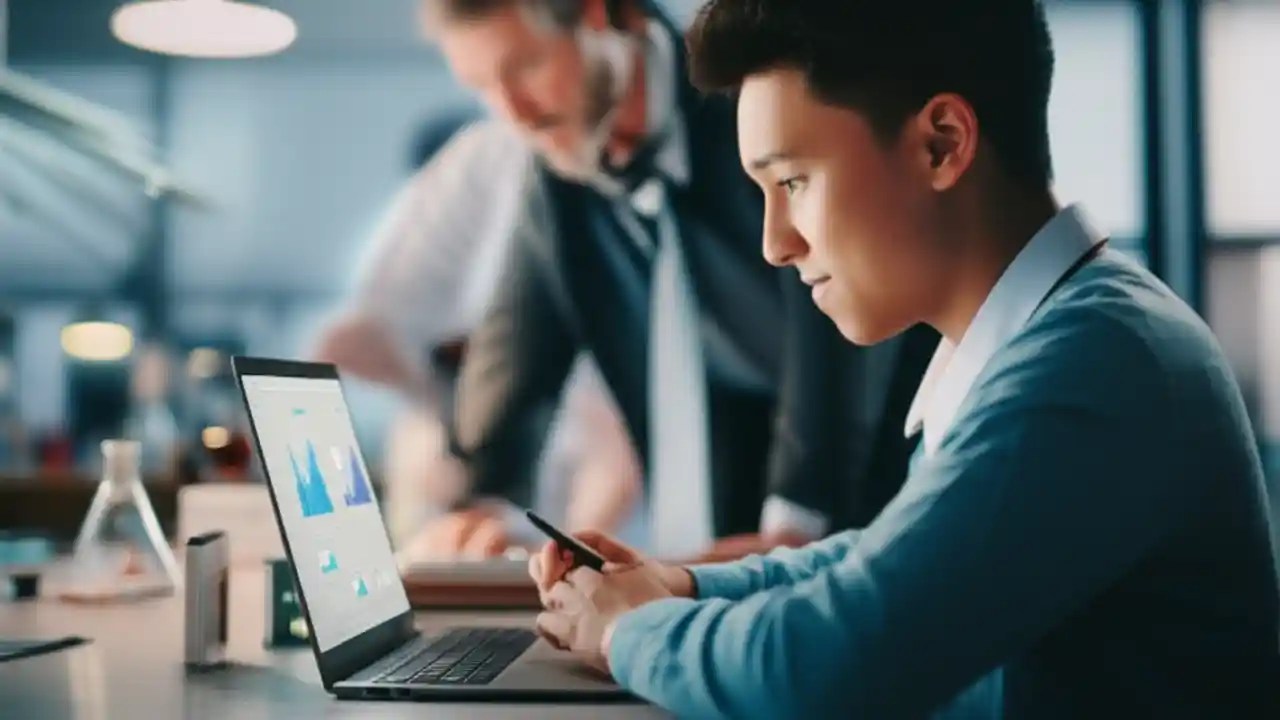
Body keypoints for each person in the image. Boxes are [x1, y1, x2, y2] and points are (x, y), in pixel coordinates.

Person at [528, 1, 1280, 717]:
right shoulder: (1048, 337)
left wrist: (629, 631)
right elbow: (882, 566)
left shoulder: (1096, 367)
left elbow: (828, 665)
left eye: (792, 182)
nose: (774, 243)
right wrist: (679, 586)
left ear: (942, 144)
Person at [419, 0, 933, 561]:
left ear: (599, 18)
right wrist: (484, 502)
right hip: (736, 476)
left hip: (887, 449)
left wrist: (798, 520)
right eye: (481, 85)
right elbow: (516, 340)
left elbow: (839, 310)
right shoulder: (560, 166)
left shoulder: (754, 90)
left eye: (524, 67)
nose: (511, 111)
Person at [315, 115, 640, 553]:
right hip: (458, 481)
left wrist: (572, 558)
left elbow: (615, 461)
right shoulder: (483, 165)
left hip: (587, 506)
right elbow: (347, 340)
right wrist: (433, 404)